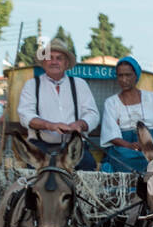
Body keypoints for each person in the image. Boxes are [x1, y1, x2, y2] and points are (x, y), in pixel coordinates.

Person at [15, 37, 99, 169]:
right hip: (41, 148)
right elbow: (25, 116)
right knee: (37, 179)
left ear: (66, 64)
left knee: (88, 167)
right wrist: (50, 125)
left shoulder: (79, 84)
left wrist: (80, 124)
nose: (54, 62)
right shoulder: (32, 85)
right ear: (43, 62)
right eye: (50, 57)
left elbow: (92, 114)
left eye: (59, 58)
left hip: (73, 148)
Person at [100, 56, 153, 173]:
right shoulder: (111, 102)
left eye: (128, 75)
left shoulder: (152, 98)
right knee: (128, 158)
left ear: (136, 76)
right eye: (120, 75)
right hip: (125, 146)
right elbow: (111, 133)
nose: (124, 79)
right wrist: (129, 146)